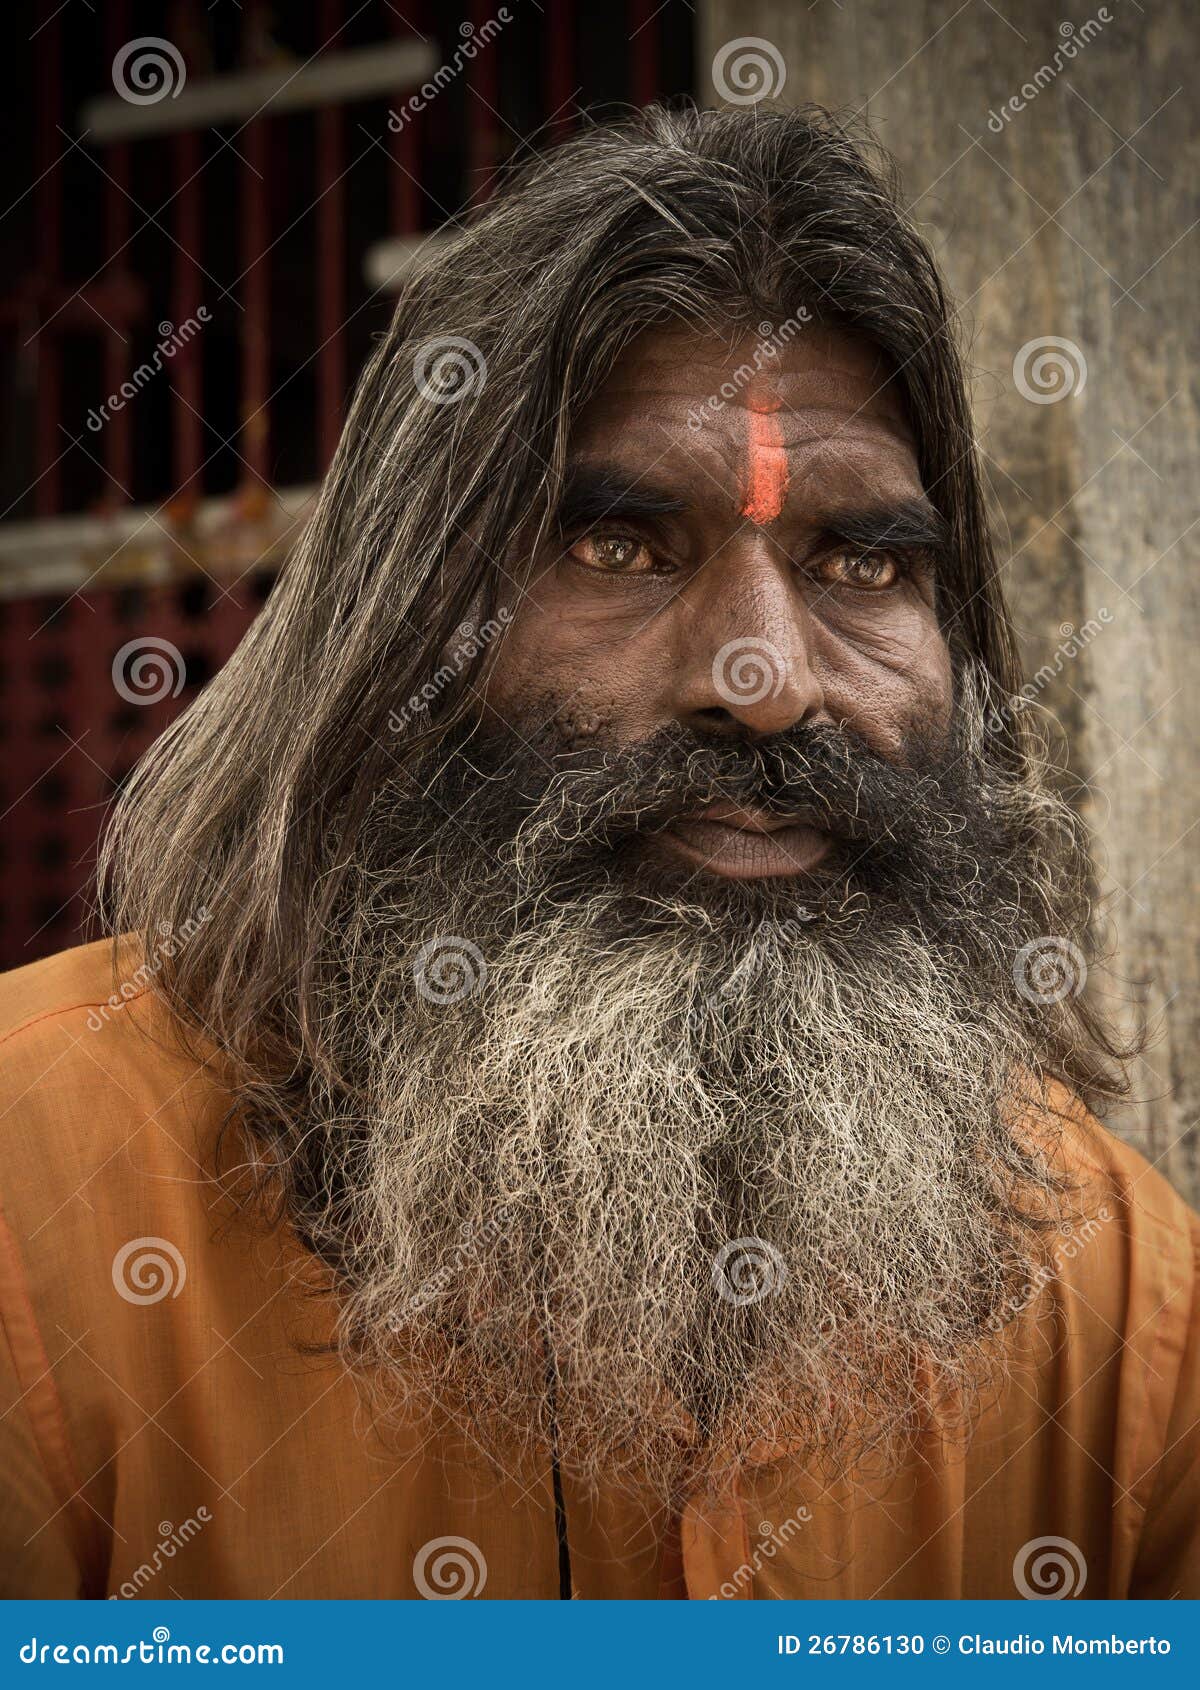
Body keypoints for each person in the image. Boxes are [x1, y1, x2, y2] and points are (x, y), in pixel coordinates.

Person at [1, 103, 1196, 1600]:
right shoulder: (36, 1203)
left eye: (863, 563)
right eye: (618, 547)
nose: (765, 680)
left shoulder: (1116, 1293)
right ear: (402, 629)